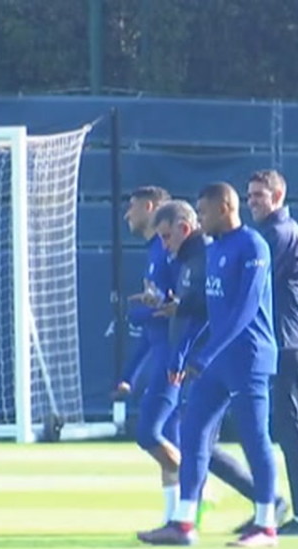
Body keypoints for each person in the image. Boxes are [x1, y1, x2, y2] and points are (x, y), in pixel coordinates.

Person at [138, 183, 280, 548]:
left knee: (254, 436)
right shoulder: (214, 250)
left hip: (248, 356)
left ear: (224, 207)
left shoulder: (253, 246)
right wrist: (186, 352)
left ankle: (266, 525)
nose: (200, 220)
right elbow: (206, 310)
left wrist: (205, 354)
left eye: (203, 212)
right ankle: (183, 522)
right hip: (217, 360)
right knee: (192, 432)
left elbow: (244, 310)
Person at [247, 169, 298, 536]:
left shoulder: (280, 234)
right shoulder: (267, 233)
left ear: (278, 197)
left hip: (287, 343)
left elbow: (251, 284)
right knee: (260, 425)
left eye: (259, 195)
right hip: (273, 342)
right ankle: (268, 505)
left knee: (289, 429)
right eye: (249, 196)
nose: (252, 202)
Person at [111, 185, 183, 525]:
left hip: (174, 359)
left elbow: (173, 309)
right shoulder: (155, 252)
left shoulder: (168, 253)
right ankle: (177, 518)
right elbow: (153, 325)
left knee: (150, 435)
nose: (128, 213)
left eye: (133, 206)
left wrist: (140, 311)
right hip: (163, 355)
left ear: (151, 207)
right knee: (171, 438)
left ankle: (195, 491)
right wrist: (129, 375)